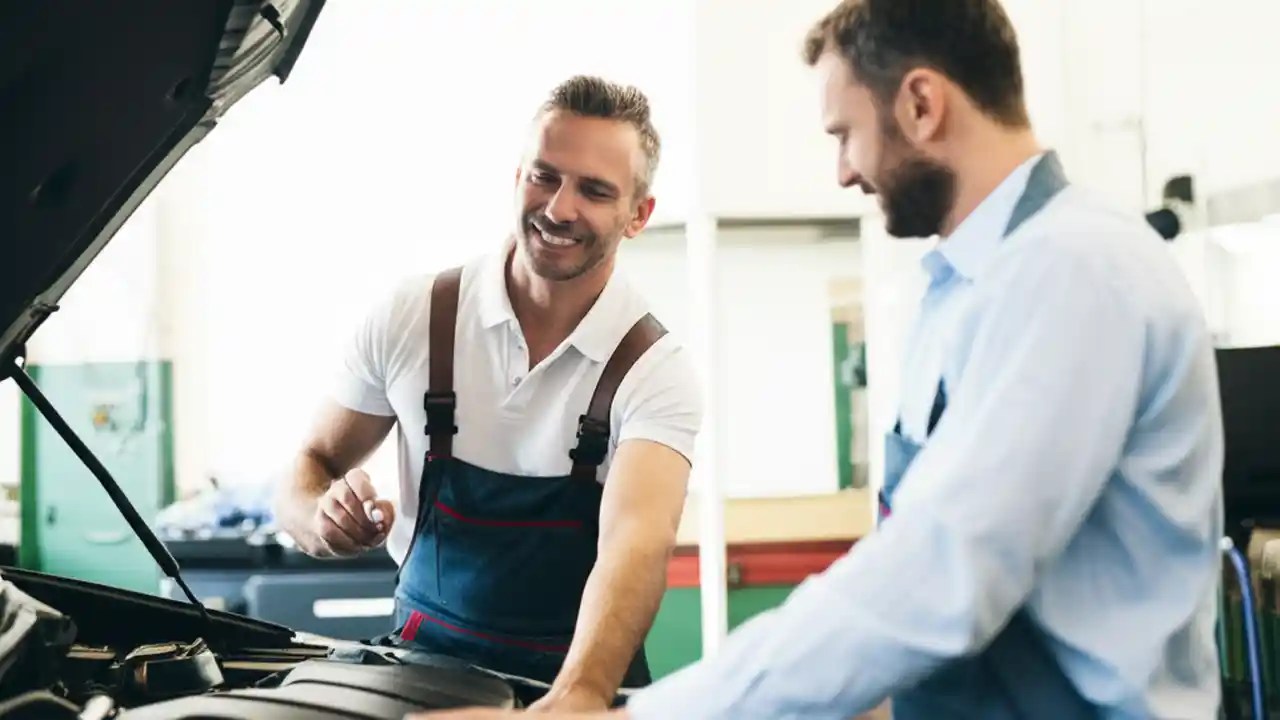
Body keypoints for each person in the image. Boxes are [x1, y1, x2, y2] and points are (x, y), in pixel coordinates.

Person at [412, 0, 1226, 718]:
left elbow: (941, 578)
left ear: (919, 103)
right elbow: (916, 572)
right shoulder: (959, 289)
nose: (842, 171)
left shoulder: (1075, 270)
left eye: (844, 134)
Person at [273, 74, 704, 712]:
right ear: (517, 178)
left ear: (637, 214)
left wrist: (577, 699)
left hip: (575, 683)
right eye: (545, 176)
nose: (560, 208)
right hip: (417, 673)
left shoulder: (652, 369)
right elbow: (308, 468)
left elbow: (636, 542)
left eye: (594, 190)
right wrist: (319, 518)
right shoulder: (412, 315)